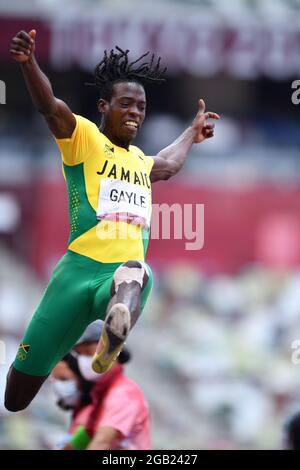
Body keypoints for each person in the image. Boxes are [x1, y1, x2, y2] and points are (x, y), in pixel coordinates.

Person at [5, 29, 220, 412]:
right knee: (15, 396)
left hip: (117, 276)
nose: (135, 112)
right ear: (104, 106)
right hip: (74, 274)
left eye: (141, 106)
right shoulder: (85, 139)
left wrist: (191, 131)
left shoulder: (140, 162)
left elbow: (167, 164)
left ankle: (112, 336)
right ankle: (101, 331)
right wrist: (28, 64)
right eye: (126, 104)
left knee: (137, 272)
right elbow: (50, 107)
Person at [51, 320, 151, 450]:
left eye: (88, 352)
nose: (84, 360)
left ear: (112, 353)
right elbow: (81, 440)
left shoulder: (124, 393)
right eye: (80, 355)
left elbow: (102, 443)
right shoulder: (99, 397)